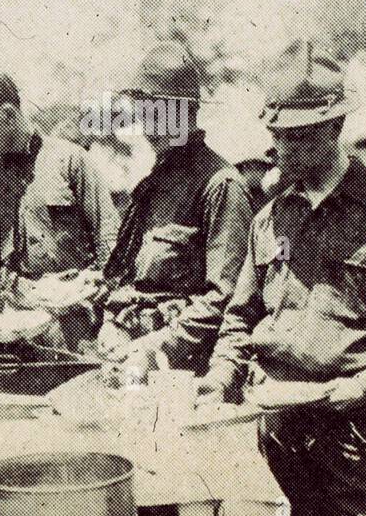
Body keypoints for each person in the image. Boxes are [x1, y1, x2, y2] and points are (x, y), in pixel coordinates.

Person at [198, 39, 366, 516]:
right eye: (278, 136)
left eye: (299, 137)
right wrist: (222, 377)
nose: (282, 150)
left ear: (334, 131)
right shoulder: (270, 217)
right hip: (281, 430)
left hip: (356, 435)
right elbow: (241, 317)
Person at [99, 43, 254, 377]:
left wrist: (157, 346)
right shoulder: (153, 185)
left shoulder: (221, 185)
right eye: (140, 111)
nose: (144, 123)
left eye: (154, 111)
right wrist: (113, 322)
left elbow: (224, 299)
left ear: (184, 111)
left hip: (185, 368)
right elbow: (127, 275)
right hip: (133, 356)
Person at [0, 73, 120, 349]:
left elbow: (109, 241)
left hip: (75, 320)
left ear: (8, 114)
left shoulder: (71, 160)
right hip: (15, 322)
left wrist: (95, 295)